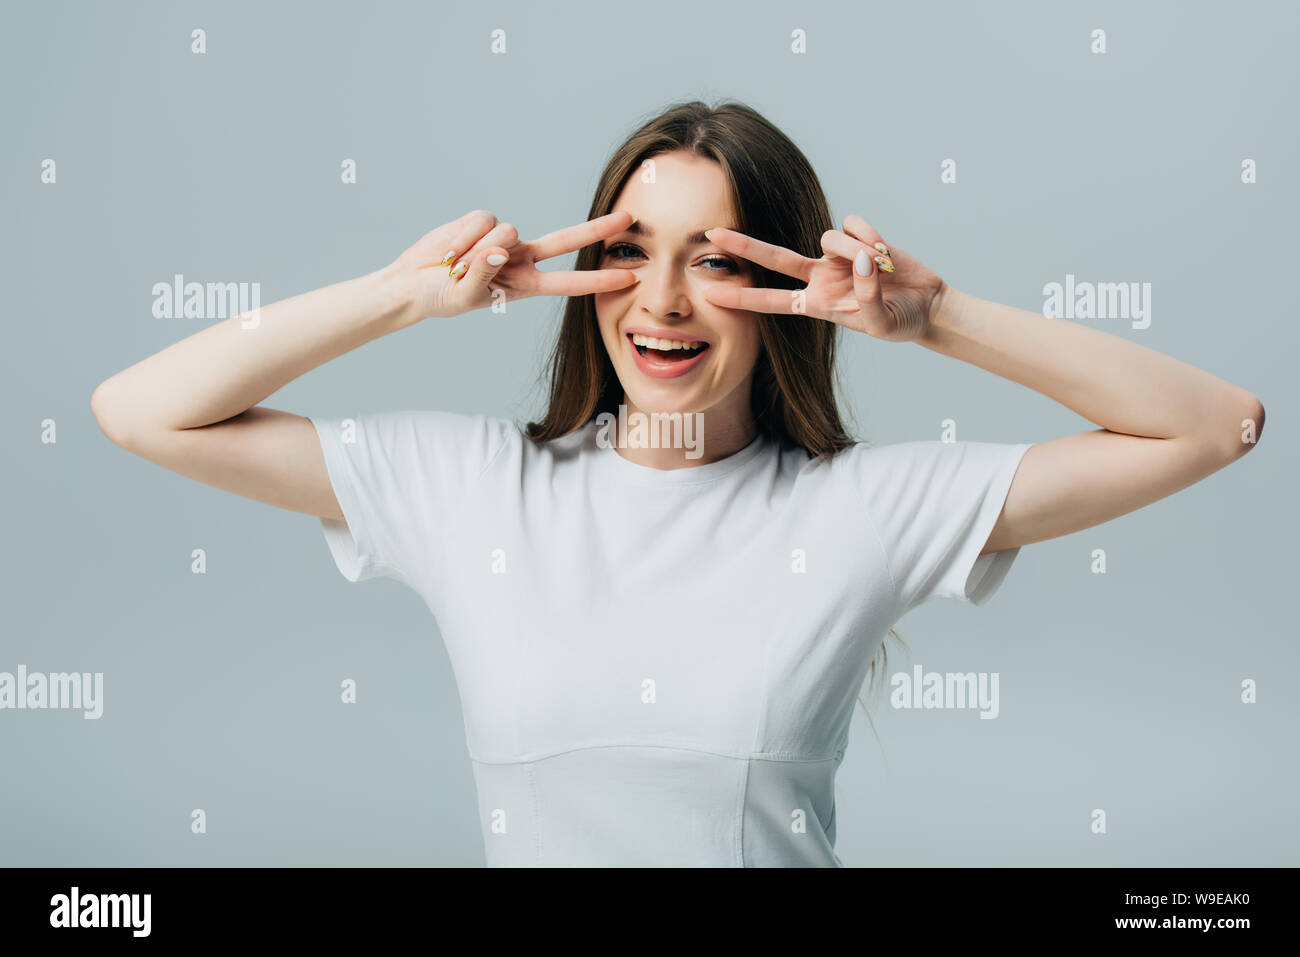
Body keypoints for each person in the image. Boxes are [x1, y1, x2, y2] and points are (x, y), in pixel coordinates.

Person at [91, 100, 1264, 866]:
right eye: (630, 254)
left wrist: (937, 318)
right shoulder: (470, 487)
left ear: (791, 289)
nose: (660, 302)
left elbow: (1215, 426)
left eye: (713, 261)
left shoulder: (856, 512)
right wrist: (407, 295)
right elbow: (137, 410)